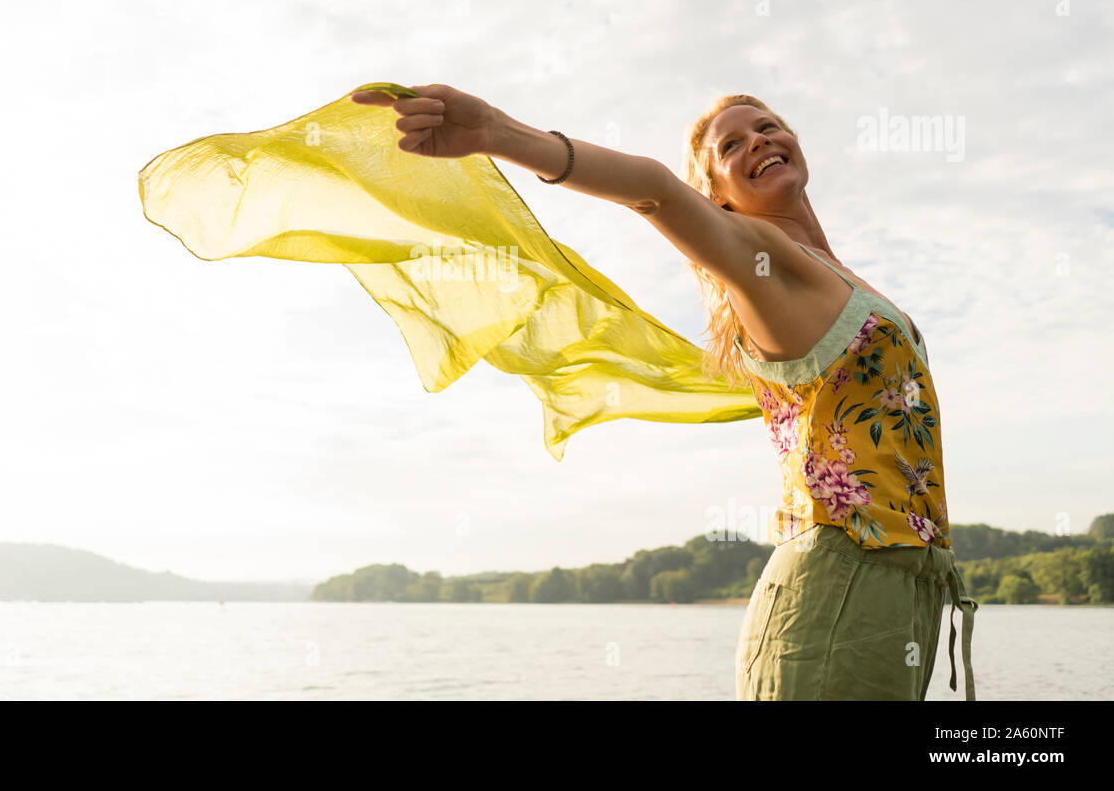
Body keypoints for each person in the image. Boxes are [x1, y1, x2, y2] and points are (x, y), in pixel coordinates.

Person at [352, 83, 979, 701]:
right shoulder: (762, 261)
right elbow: (654, 190)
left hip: (903, 592)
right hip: (839, 590)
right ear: (717, 198)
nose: (758, 140)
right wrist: (498, 133)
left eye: (766, 126)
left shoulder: (836, 273)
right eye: (731, 145)